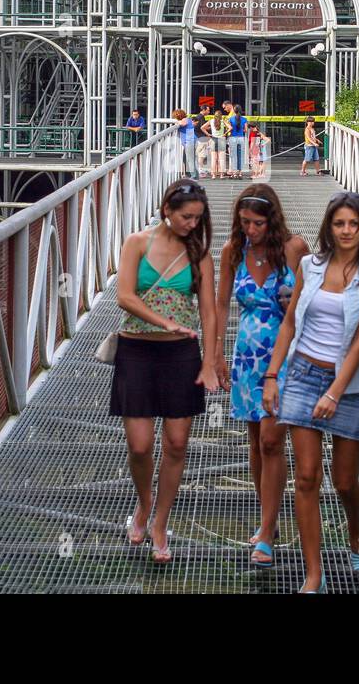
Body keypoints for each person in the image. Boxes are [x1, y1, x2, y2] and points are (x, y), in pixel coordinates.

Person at [263, 191, 359, 593]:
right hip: (302, 373)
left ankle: (357, 529)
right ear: (329, 228)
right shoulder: (310, 266)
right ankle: (313, 572)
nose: (347, 230)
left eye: (354, 223)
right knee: (305, 477)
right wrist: (272, 375)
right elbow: (288, 324)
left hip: (350, 387)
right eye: (340, 224)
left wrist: (334, 392)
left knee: (344, 482)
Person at [112, 178, 221, 563]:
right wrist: (165, 322)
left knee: (176, 443)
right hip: (136, 350)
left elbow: (209, 311)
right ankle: (144, 502)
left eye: (198, 218)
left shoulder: (200, 254)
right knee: (140, 445)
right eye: (186, 217)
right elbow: (124, 295)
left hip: (181, 355)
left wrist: (209, 361)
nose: (193, 224)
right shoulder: (137, 242)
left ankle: (160, 522)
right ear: (166, 211)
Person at [215, 186, 310, 567]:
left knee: (272, 440)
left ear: (272, 220)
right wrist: (216, 355)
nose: (250, 229)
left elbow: (315, 294)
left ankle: (267, 534)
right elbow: (221, 303)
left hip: (285, 355)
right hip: (247, 356)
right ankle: (266, 517)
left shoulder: (294, 249)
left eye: (257, 222)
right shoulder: (232, 252)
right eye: (244, 222)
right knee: (256, 442)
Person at [172, 108, 198, 179]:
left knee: (189, 159)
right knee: (185, 158)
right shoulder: (188, 119)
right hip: (191, 140)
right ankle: (191, 174)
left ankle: (193, 176)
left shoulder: (184, 120)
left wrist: (177, 122)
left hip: (189, 141)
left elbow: (183, 123)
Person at [203, 109, 229, 179]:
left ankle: (213, 175)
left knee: (213, 159)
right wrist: (224, 134)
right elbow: (230, 128)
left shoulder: (211, 121)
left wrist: (208, 134)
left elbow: (202, 127)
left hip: (213, 139)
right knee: (221, 159)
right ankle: (221, 175)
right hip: (221, 140)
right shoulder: (223, 121)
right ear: (221, 116)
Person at [227, 104, 249, 178]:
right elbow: (245, 130)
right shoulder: (244, 119)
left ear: (234, 110)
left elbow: (229, 129)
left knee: (233, 156)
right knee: (240, 155)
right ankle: (240, 173)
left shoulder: (230, 119)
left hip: (233, 138)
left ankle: (234, 173)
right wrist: (241, 130)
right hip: (241, 138)